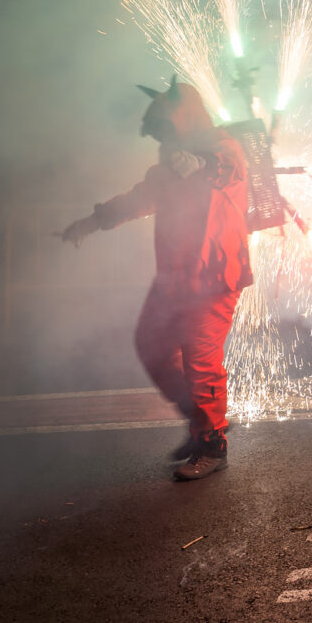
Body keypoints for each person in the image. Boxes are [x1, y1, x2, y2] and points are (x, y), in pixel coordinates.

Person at [61, 78, 253, 481]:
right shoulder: (169, 166)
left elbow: (227, 166)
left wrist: (201, 163)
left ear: (184, 119)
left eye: (166, 129)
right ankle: (200, 423)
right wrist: (92, 222)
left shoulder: (223, 147)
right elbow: (139, 199)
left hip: (213, 277)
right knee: (151, 345)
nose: (162, 138)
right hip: (175, 279)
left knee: (201, 363)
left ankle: (213, 445)